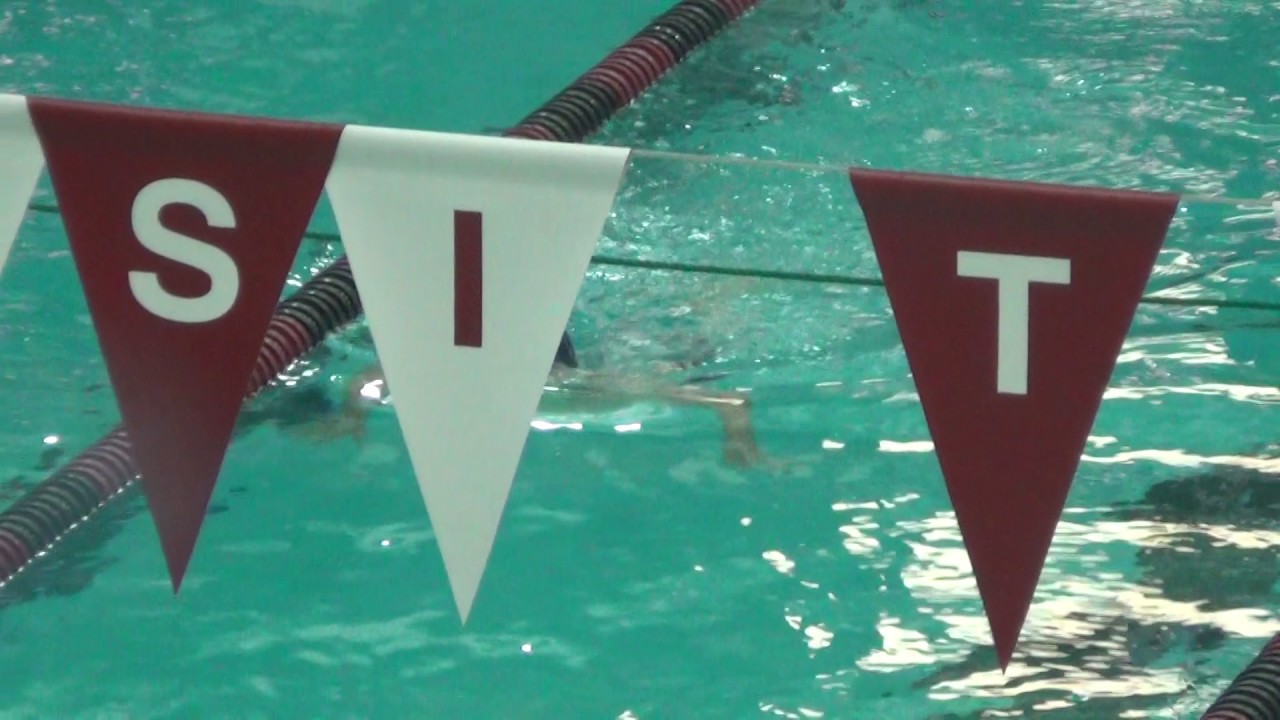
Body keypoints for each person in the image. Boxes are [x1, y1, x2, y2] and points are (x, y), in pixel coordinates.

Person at [309, 331, 770, 468]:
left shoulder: (583, 392)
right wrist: (354, 415)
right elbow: (373, 378)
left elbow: (730, 400)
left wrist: (739, 442)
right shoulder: (473, 377)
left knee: (693, 350)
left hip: (654, 357)